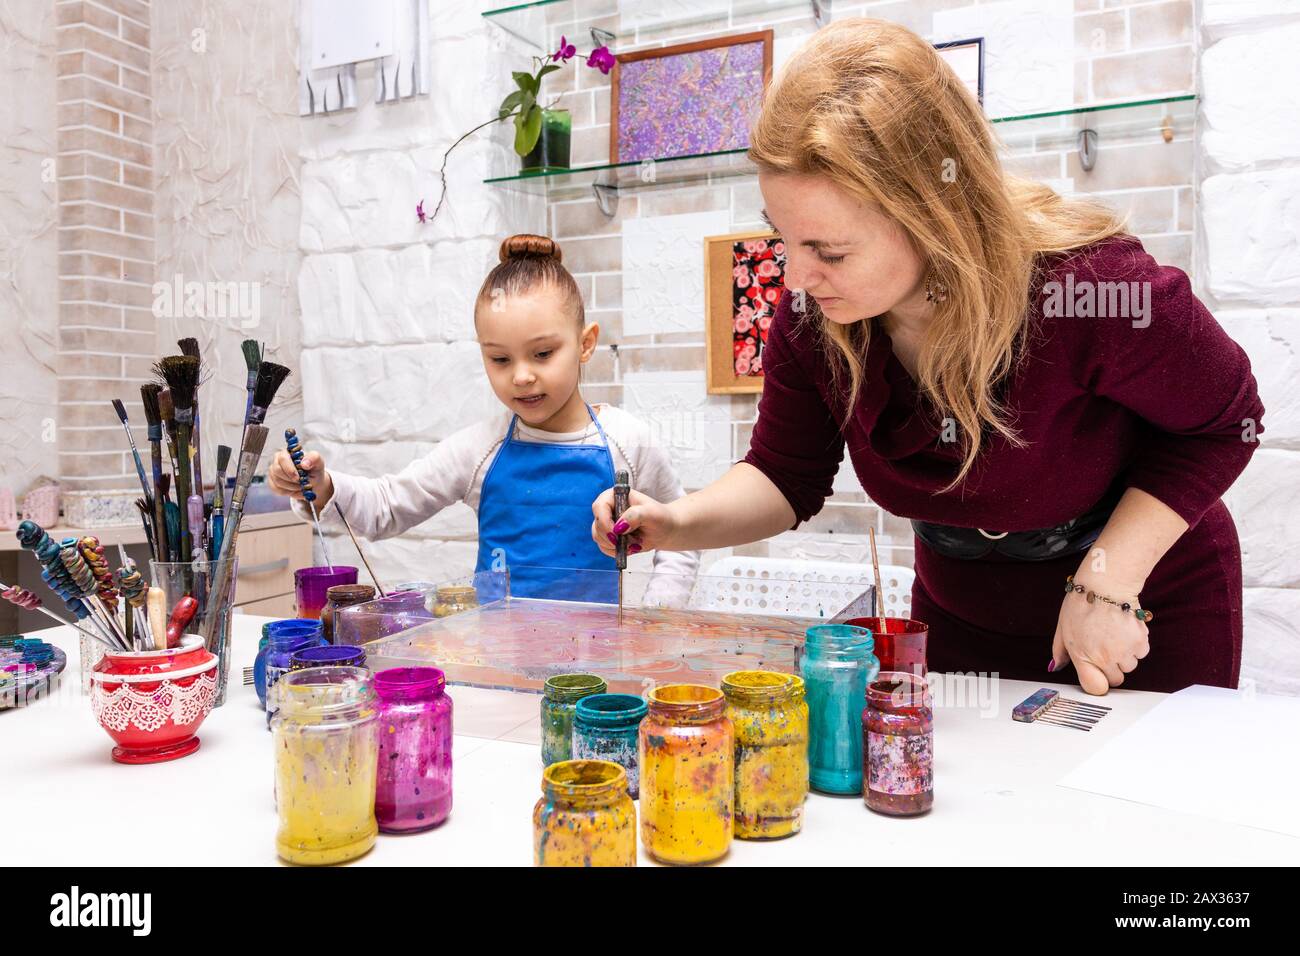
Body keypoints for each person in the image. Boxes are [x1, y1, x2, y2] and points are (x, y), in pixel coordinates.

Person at [592, 19, 1263, 695]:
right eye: (781, 236)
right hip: (962, 613)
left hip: (1138, 606)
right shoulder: (813, 320)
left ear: (933, 213)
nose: (795, 276)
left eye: (830, 251)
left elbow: (1227, 422)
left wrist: (1108, 581)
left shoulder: (1089, 290)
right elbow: (783, 474)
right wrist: (676, 522)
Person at [271, 233, 699, 602]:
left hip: (597, 667)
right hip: (495, 661)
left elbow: (681, 536)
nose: (522, 376)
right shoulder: (478, 449)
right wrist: (322, 487)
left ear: (585, 344)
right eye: (500, 359)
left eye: (543, 353)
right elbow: (386, 506)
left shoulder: (628, 441)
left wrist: (655, 619)